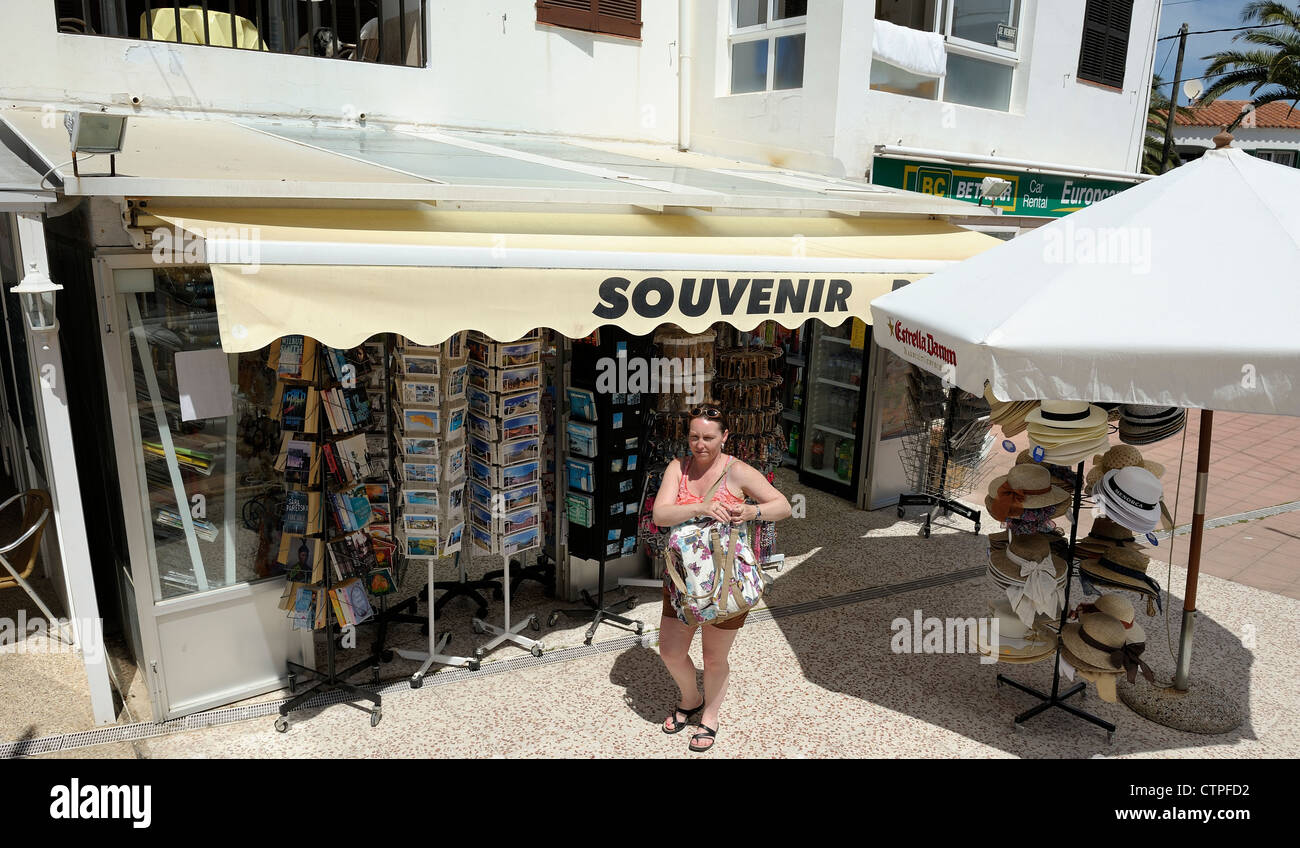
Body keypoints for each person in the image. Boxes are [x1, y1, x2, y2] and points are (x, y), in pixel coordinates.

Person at [651, 404, 792, 752]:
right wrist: (699, 507)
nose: (700, 444)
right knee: (670, 651)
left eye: (709, 438)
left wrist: (750, 510)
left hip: (726, 582)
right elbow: (660, 514)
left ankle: (710, 716)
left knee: (714, 658)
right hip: (682, 582)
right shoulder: (677, 468)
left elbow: (783, 505)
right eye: (695, 437)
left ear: (725, 436)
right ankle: (691, 697)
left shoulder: (738, 471)